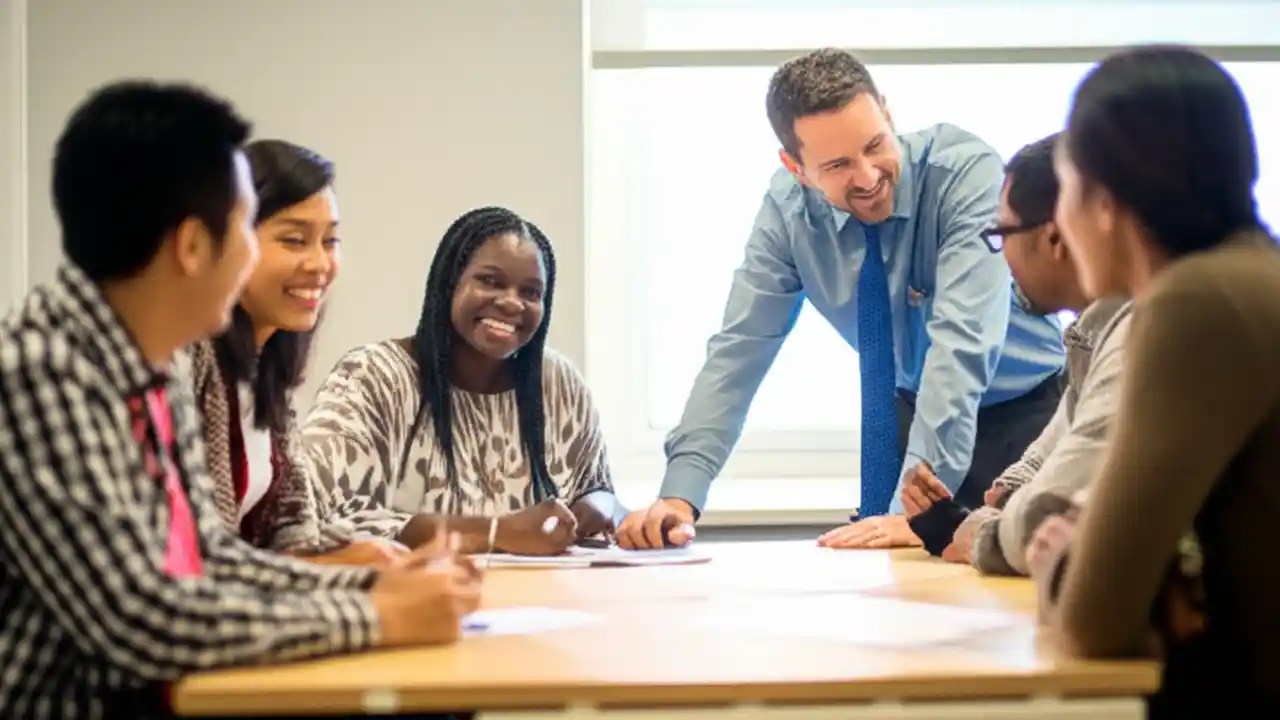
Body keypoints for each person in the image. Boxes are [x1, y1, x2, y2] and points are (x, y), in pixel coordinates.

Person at [0, 81, 480, 718]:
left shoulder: (150, 362)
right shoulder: (40, 371)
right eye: (252, 231)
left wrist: (377, 584)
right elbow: (144, 619)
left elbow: (211, 556)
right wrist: (372, 612)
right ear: (193, 246)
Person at [619, 48, 1066, 549]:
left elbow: (961, 350)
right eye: (837, 164)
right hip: (914, 415)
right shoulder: (789, 214)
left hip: (1028, 417)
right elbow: (738, 352)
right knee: (907, 607)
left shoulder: (963, 174)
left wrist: (914, 515)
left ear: (888, 113)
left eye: (876, 144)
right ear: (796, 168)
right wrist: (681, 495)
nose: (869, 176)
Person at [1030, 45, 1280, 714]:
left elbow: (1095, 619)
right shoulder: (1250, 273)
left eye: (1066, 189)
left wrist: (1058, 561)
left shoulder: (1194, 304)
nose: (1062, 224)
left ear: (1105, 201)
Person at [863, 133, 1132, 575]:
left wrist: (977, 531)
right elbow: (1048, 456)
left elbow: (1051, 511)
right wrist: (993, 504)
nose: (999, 256)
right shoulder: (1092, 334)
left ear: (1055, 237)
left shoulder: (1134, 339)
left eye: (1001, 233)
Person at [303, 206, 623, 557]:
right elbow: (328, 516)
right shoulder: (372, 377)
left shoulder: (558, 383)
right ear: (450, 282)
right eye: (491, 281)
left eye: (531, 292)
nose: (511, 303)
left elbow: (596, 486)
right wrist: (497, 533)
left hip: (542, 598)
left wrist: (594, 509)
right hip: (410, 599)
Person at [180, 139, 405, 567]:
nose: (321, 263)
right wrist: (325, 569)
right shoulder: (188, 359)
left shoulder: (268, 366)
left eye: (330, 241)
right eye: (295, 240)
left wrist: (357, 556)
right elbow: (192, 558)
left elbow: (292, 526)